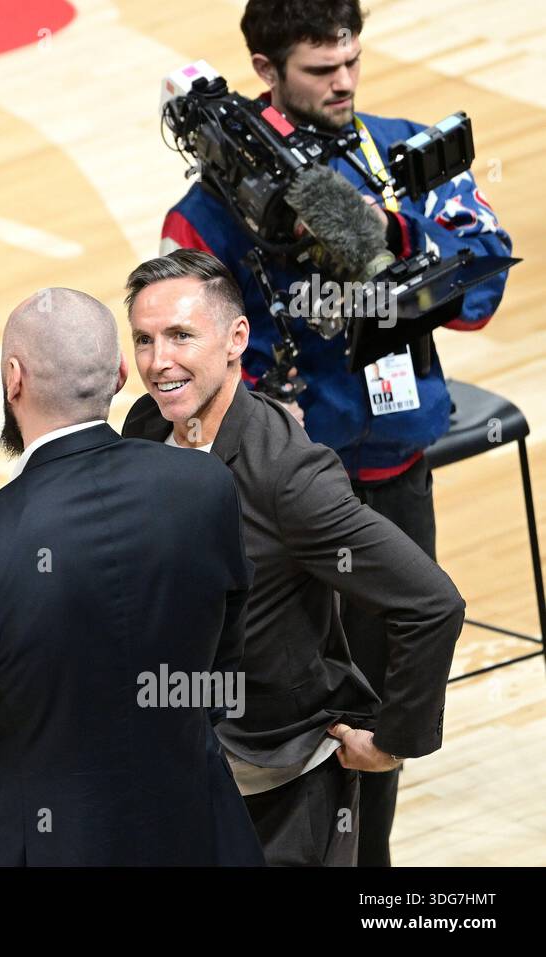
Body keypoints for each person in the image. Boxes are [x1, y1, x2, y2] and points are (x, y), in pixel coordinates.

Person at [160, 0, 510, 866]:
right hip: (274, 493)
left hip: (390, 467)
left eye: (351, 60)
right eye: (321, 70)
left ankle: (373, 865)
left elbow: (485, 283)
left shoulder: (401, 150)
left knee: (388, 679)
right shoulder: (209, 212)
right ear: (266, 69)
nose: (345, 82)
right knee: (279, 696)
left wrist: (389, 235)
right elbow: (185, 345)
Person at [0, 287, 263, 866]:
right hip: (196, 832)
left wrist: (1, 833)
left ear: (13, 379)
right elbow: (223, 664)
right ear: (120, 375)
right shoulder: (205, 486)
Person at [122, 250, 464, 866]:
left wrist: (390, 743)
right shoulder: (147, 425)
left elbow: (430, 603)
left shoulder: (288, 476)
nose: (158, 362)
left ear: (236, 339)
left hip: (276, 785)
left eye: (179, 336)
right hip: (171, 766)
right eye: (144, 340)